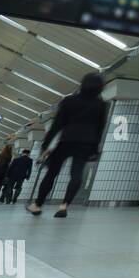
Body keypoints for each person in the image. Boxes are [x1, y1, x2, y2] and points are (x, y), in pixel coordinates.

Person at [29, 72, 108, 217]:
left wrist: (46, 145)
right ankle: (64, 206)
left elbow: (57, 124)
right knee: (76, 174)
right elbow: (100, 128)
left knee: (52, 173)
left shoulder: (69, 101)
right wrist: (95, 148)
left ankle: (38, 204)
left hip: (66, 140)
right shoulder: (101, 105)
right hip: (86, 143)